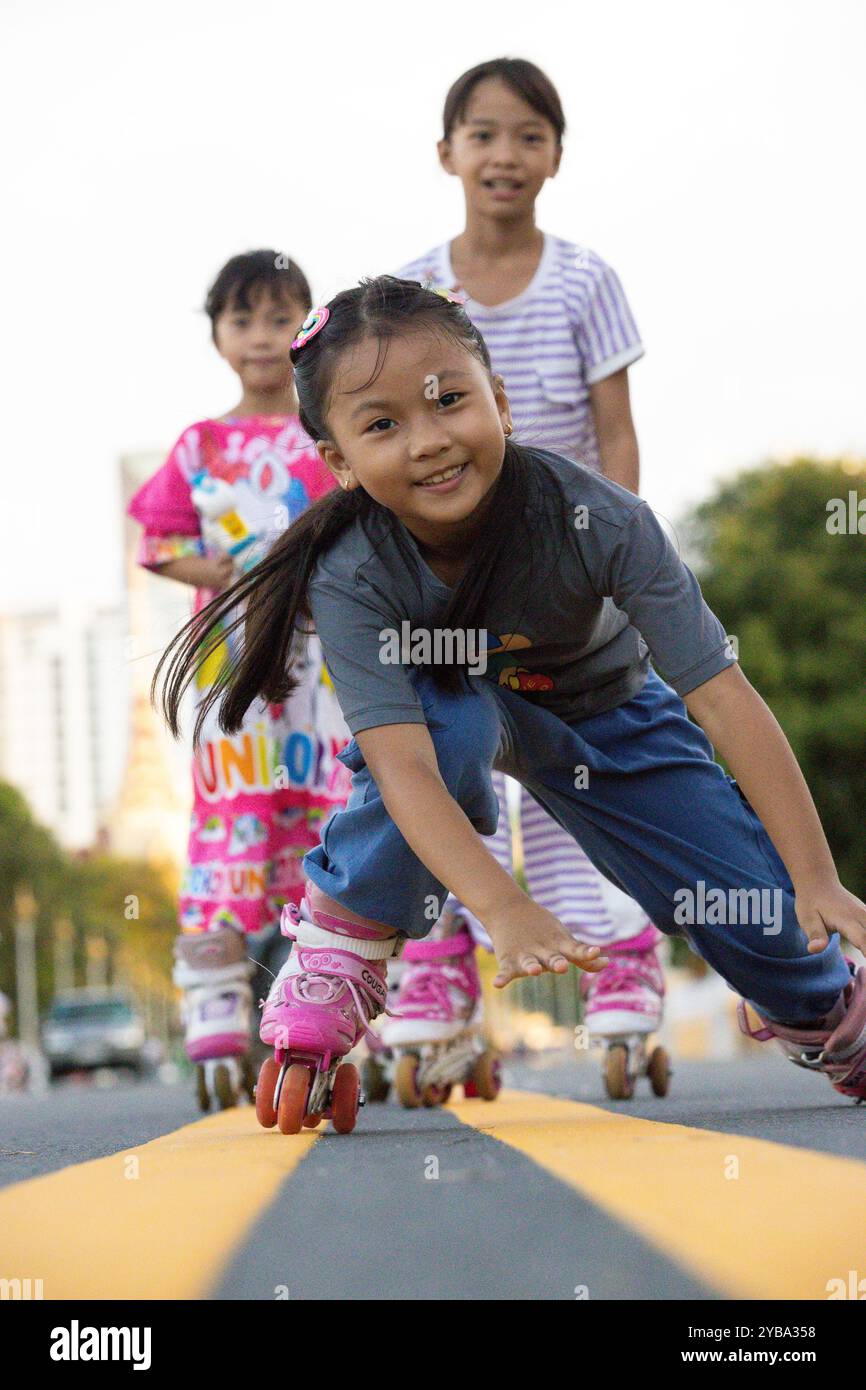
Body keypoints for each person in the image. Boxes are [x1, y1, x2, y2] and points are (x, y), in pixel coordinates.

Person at [158, 277, 866, 1133]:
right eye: (382, 425)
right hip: (456, 711)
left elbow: (723, 700)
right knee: (444, 724)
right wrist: (503, 906)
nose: (428, 442)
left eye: (448, 400)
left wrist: (815, 877)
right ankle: (337, 949)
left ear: (497, 398)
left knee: (763, 922)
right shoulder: (352, 570)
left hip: (609, 713)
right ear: (339, 462)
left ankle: (819, 1004)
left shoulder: (601, 518)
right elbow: (403, 767)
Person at [391, 58, 661, 1088]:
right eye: (484, 133)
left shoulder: (585, 280)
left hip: (562, 572)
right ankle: (441, 972)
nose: (504, 155)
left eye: (528, 136)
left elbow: (615, 433)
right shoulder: (417, 287)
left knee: (563, 779)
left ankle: (619, 963)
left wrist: (609, 557)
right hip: (446, 574)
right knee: (443, 770)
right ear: (447, 151)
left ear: (554, 154)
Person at [129, 250, 350, 1109]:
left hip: (325, 654)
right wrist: (213, 569)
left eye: (280, 318)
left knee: (332, 809)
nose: (262, 337)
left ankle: (329, 988)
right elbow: (155, 543)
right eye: (243, 320)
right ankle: (217, 999)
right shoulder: (201, 444)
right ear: (218, 334)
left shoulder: (330, 428)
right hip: (232, 664)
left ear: (307, 329)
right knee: (235, 816)